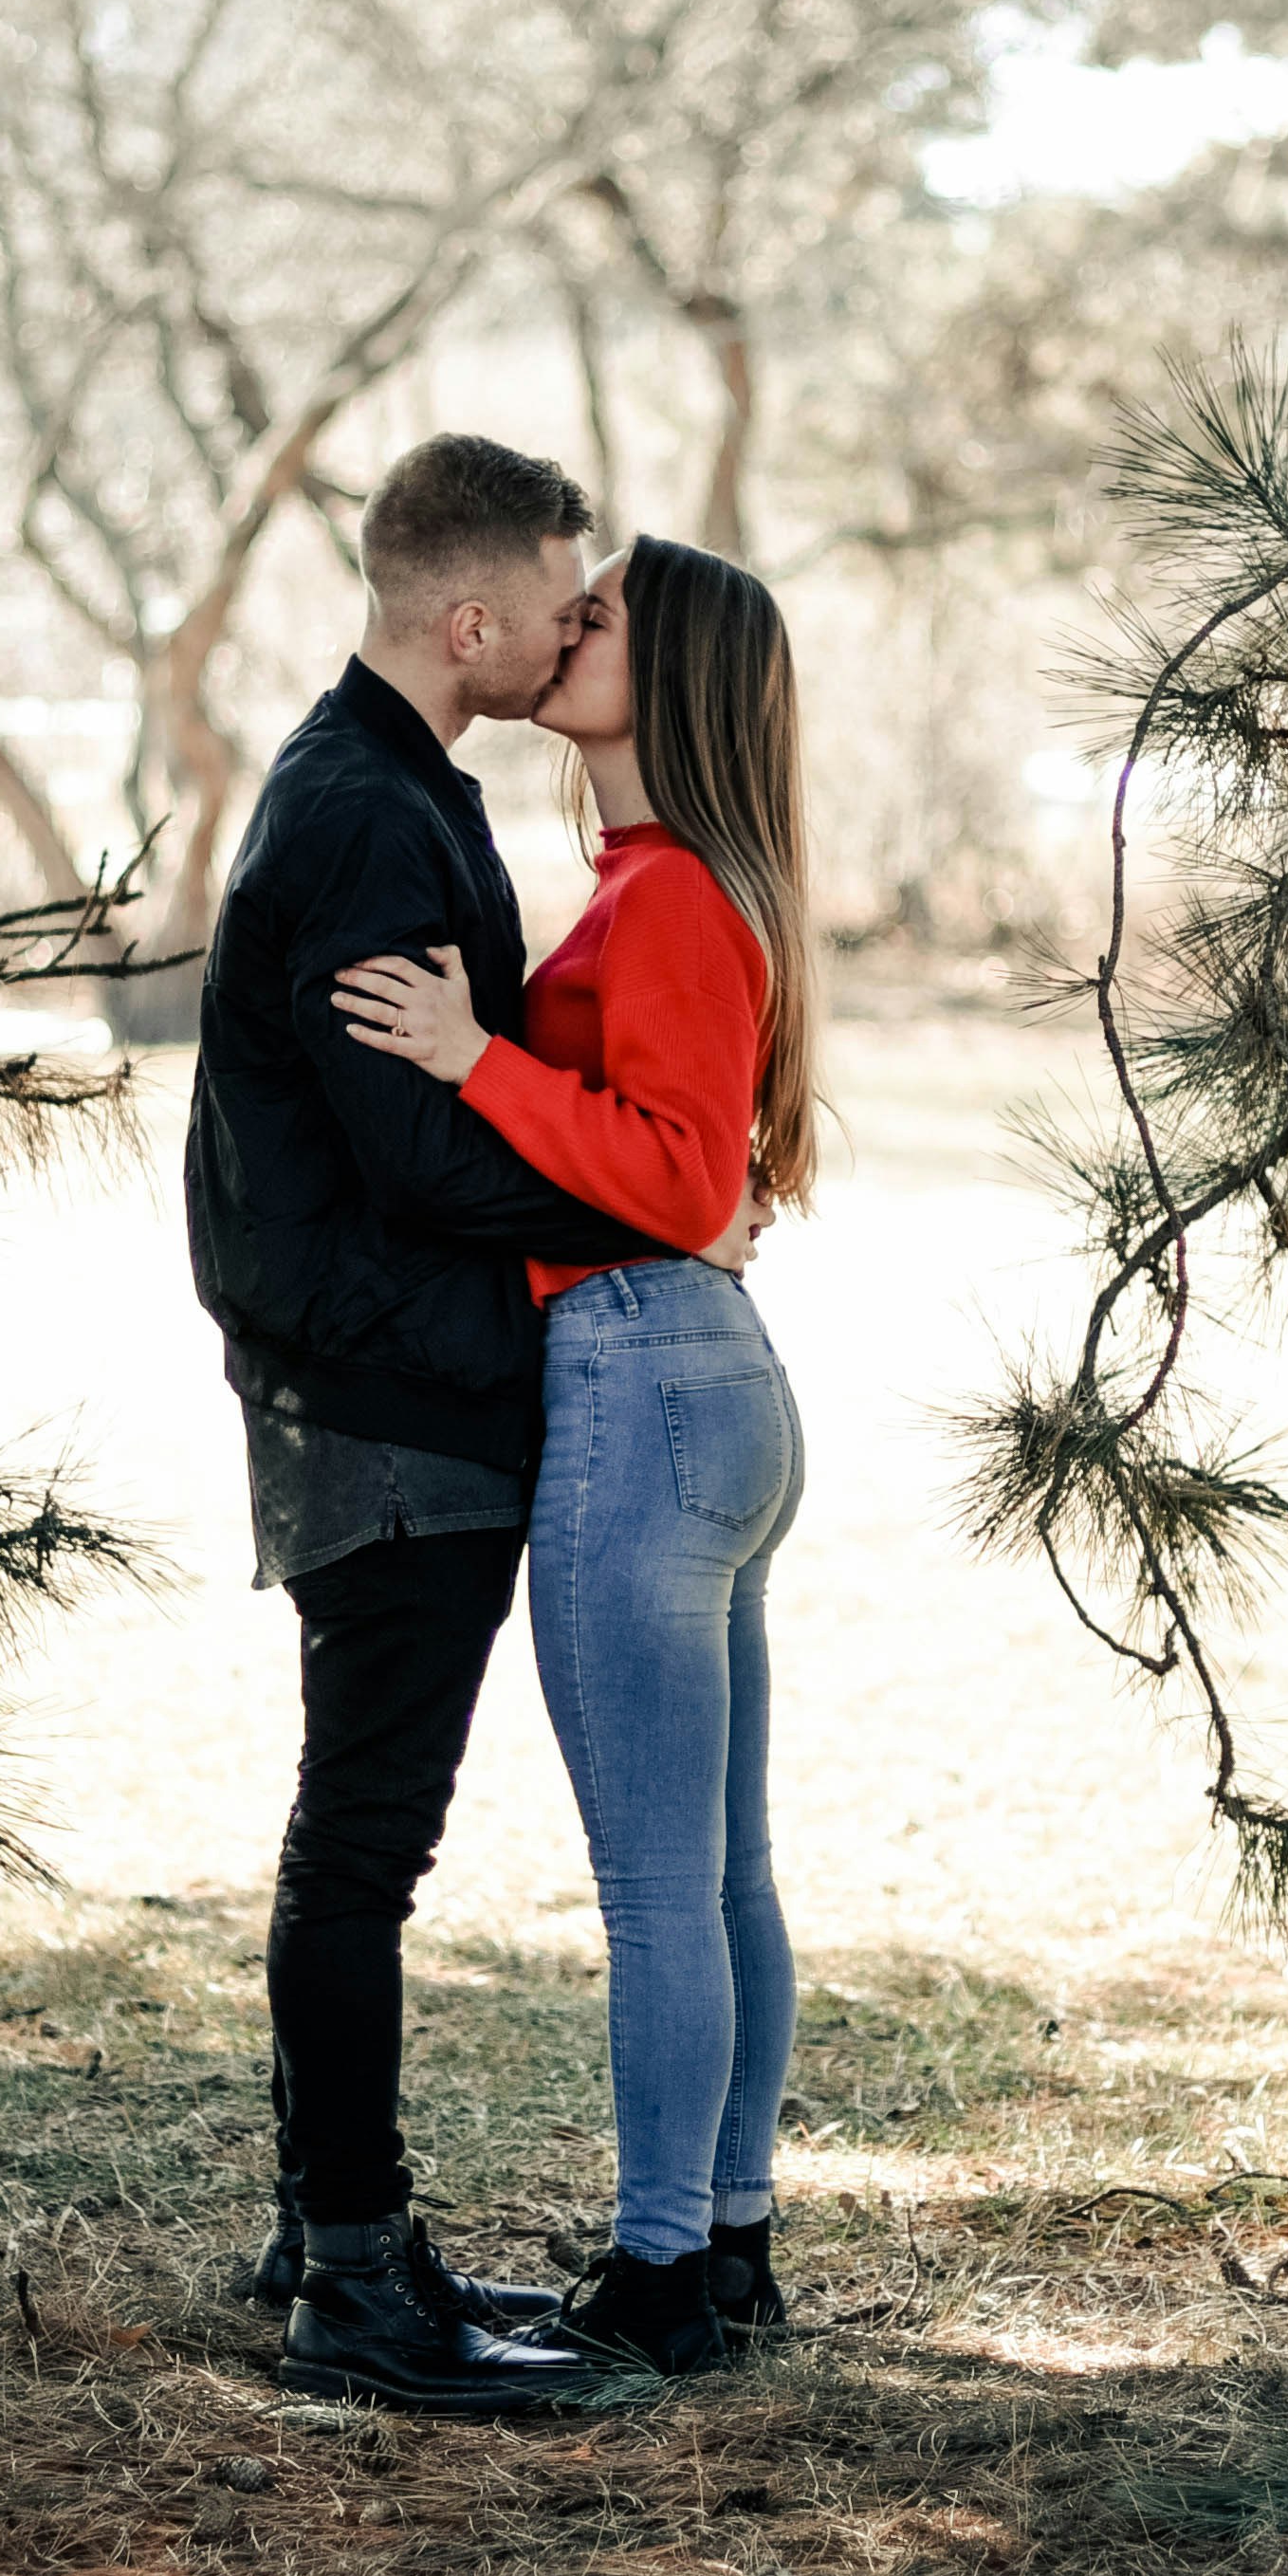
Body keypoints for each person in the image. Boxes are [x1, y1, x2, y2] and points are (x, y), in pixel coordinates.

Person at [184, 432, 719, 2415]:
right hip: (388, 1394)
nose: (585, 627)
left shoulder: (387, 793)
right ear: (469, 618)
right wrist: (660, 1190)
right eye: (564, 601)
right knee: (363, 1842)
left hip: (388, 1379)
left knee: (356, 1833)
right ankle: (351, 2283)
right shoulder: (365, 821)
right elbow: (414, 1157)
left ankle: (330, 2226)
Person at [332, 532, 815, 2380]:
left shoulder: (675, 890)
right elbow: (695, 1158)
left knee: (657, 1885)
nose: (562, 627)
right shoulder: (659, 884)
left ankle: (662, 2273)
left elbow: (682, 1181)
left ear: (666, 675)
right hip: (700, 1385)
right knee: (719, 1870)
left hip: (641, 1389)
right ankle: (730, 2239)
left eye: (598, 615)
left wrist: (468, 1056)